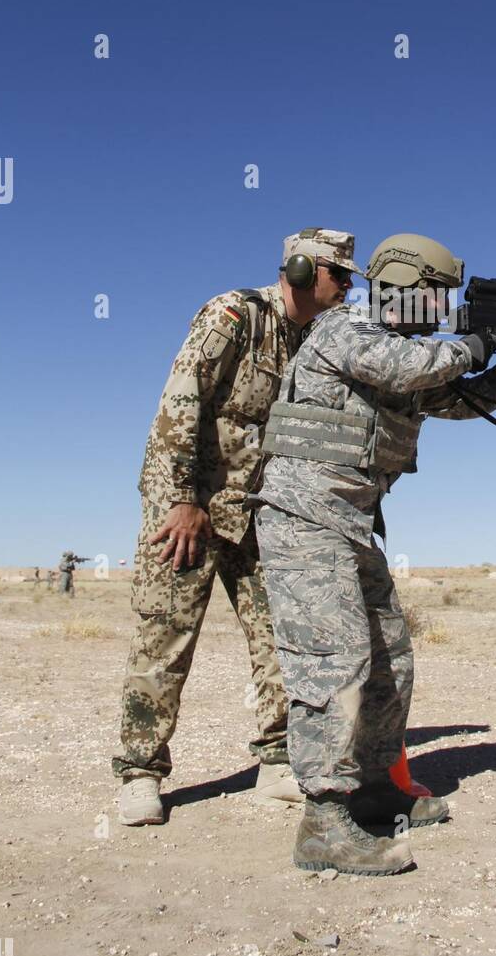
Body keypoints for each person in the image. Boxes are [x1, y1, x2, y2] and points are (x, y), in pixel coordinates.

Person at [255, 233, 496, 875]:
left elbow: (458, 401)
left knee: (389, 659)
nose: (442, 309)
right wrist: (482, 343)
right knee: (334, 660)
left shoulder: (401, 349)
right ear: (405, 287)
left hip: (350, 523)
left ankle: (373, 789)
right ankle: (322, 820)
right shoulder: (346, 330)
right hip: (302, 517)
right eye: (435, 297)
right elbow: (417, 369)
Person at [112, 228, 363, 826]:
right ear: (302, 270)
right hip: (190, 509)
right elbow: (181, 400)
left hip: (258, 511)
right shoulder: (233, 314)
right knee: (164, 638)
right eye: (340, 275)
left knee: (281, 636)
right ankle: (140, 772)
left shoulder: (316, 340)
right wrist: (180, 498)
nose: (349, 288)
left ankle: (278, 761)